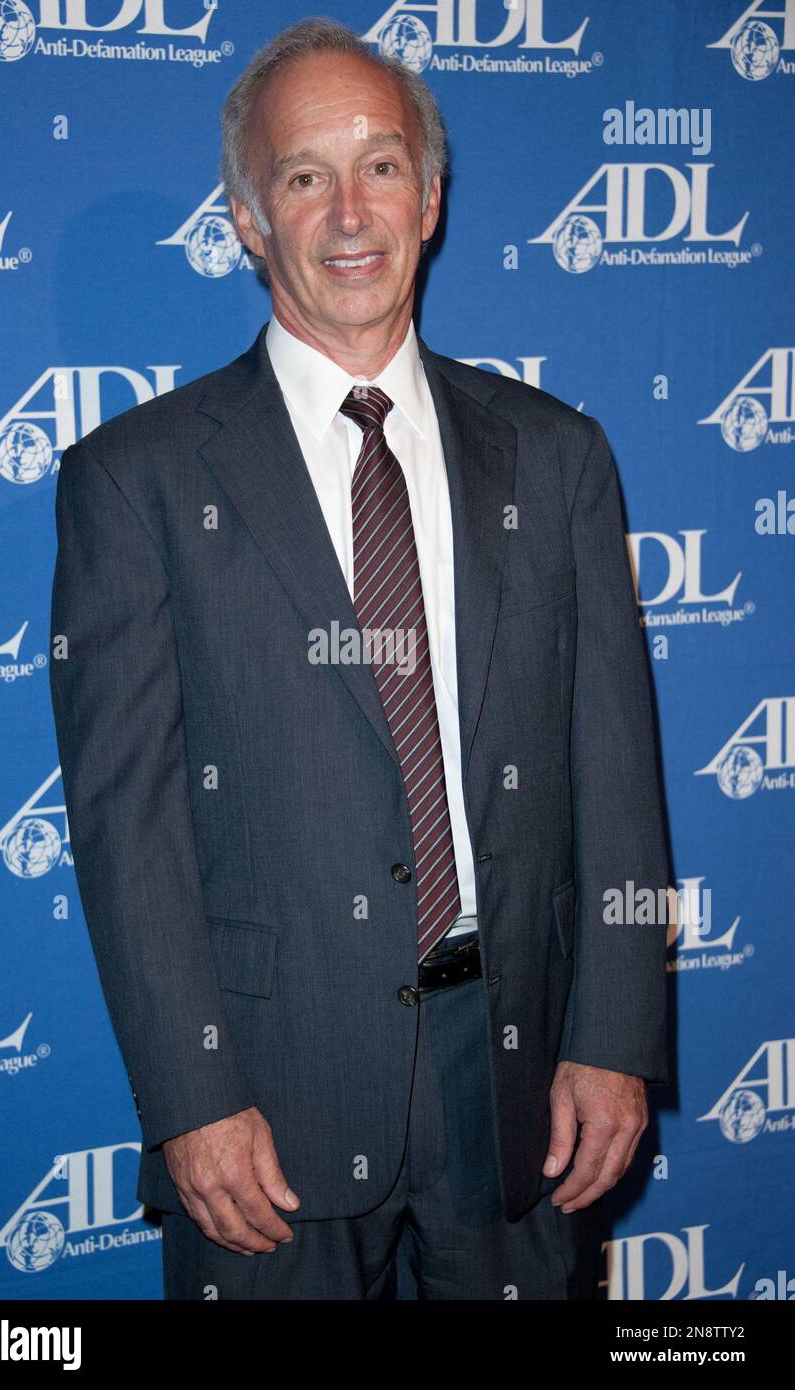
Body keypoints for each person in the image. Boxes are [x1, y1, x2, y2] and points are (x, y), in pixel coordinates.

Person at [49, 17, 670, 1301]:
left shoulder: (556, 459)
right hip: (264, 1103)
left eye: (381, 165)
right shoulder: (137, 480)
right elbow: (130, 826)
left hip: (517, 1084)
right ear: (244, 216)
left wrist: (612, 1036)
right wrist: (191, 1093)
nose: (348, 211)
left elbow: (616, 766)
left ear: (430, 199)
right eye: (302, 174)